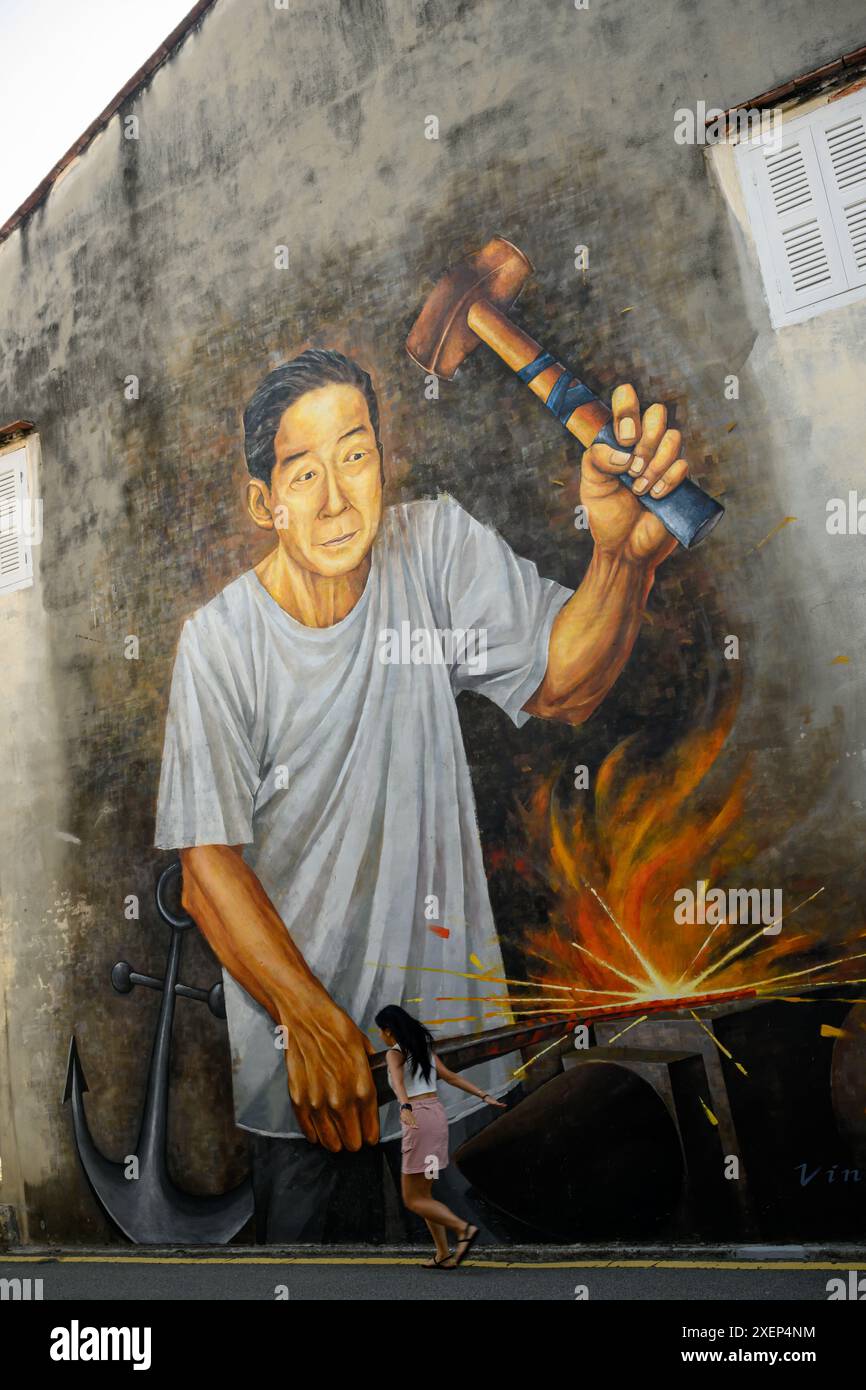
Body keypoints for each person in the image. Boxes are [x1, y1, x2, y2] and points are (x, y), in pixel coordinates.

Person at [154, 346, 691, 1240]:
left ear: (383, 456)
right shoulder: (218, 643)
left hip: (459, 1075)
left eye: (356, 456)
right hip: (313, 1098)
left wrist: (619, 560)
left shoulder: (433, 544)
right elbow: (206, 865)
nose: (336, 498)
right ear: (264, 503)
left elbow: (566, 682)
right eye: (305, 472)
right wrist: (312, 1020)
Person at [376, 1005, 507, 1267]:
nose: (380, 1036)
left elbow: (399, 1084)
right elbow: (450, 1077)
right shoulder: (423, 1049)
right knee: (425, 1195)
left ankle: (462, 1229)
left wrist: (404, 1107)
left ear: (388, 1031)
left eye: (381, 1031)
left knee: (413, 1199)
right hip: (436, 1116)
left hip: (418, 1118)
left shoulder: (394, 1053)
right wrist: (483, 1094)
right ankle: (443, 1253)